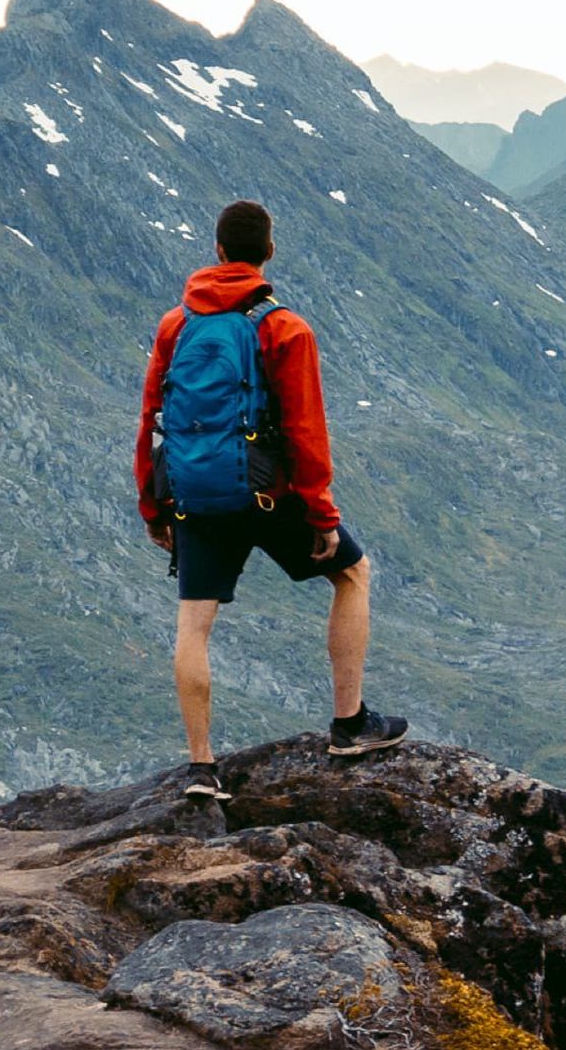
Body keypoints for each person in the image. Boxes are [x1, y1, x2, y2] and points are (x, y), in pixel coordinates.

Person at [135, 199, 407, 801]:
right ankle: (349, 725)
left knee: (194, 625)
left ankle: (202, 769)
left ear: (219, 251)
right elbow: (307, 432)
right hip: (268, 495)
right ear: (269, 253)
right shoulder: (285, 328)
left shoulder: (174, 325)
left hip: (196, 495)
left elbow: (153, 419)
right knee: (353, 575)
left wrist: (154, 506)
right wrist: (322, 516)